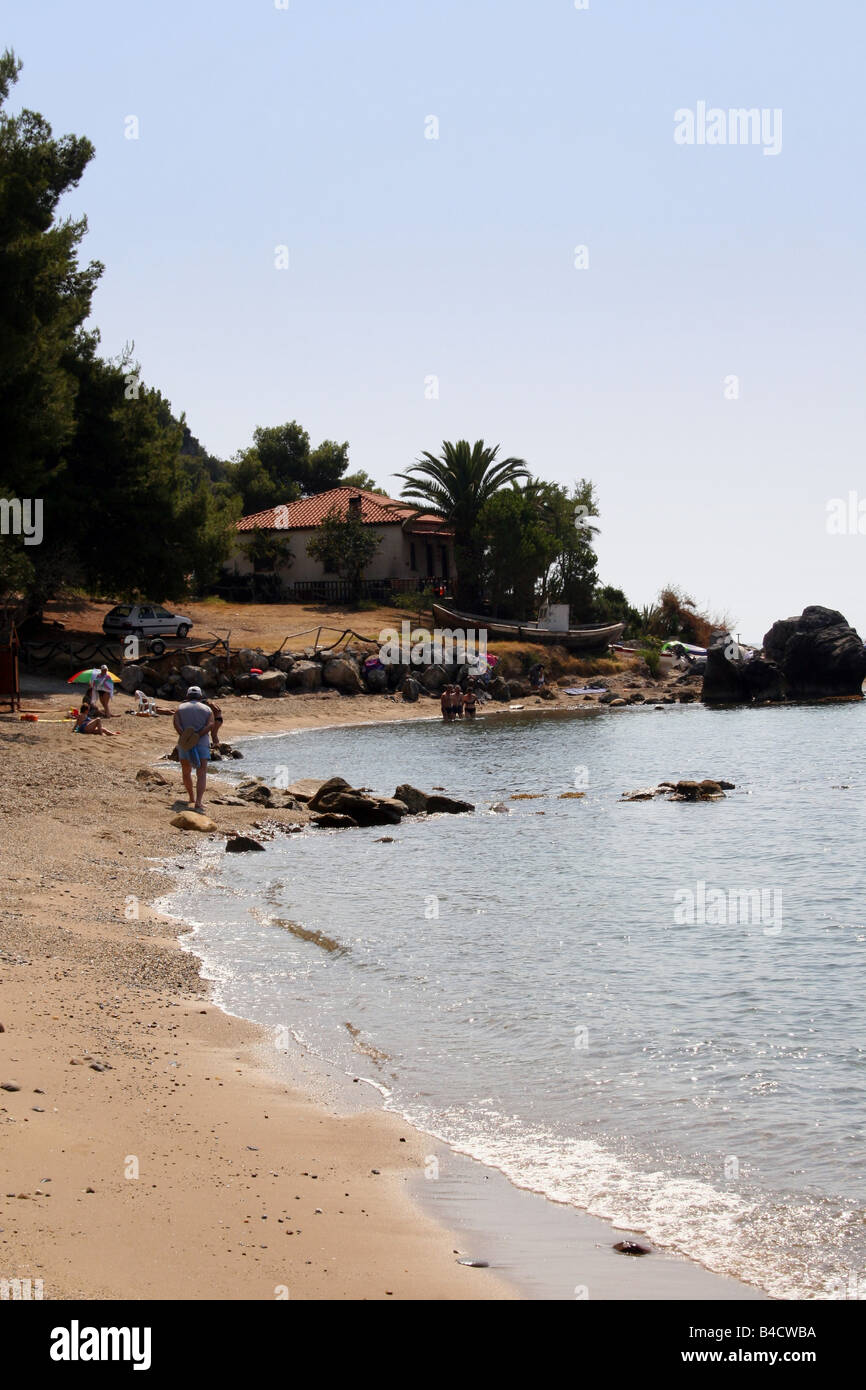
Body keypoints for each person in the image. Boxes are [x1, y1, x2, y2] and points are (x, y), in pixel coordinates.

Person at [173, 686, 214, 813]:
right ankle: (198, 802)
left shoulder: (180, 708)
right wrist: (198, 735)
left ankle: (191, 797)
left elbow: (176, 724)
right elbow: (210, 725)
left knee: (186, 771)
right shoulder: (207, 709)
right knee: (201, 773)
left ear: (187, 696)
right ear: (200, 697)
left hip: (185, 743)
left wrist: (185, 735)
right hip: (201, 743)